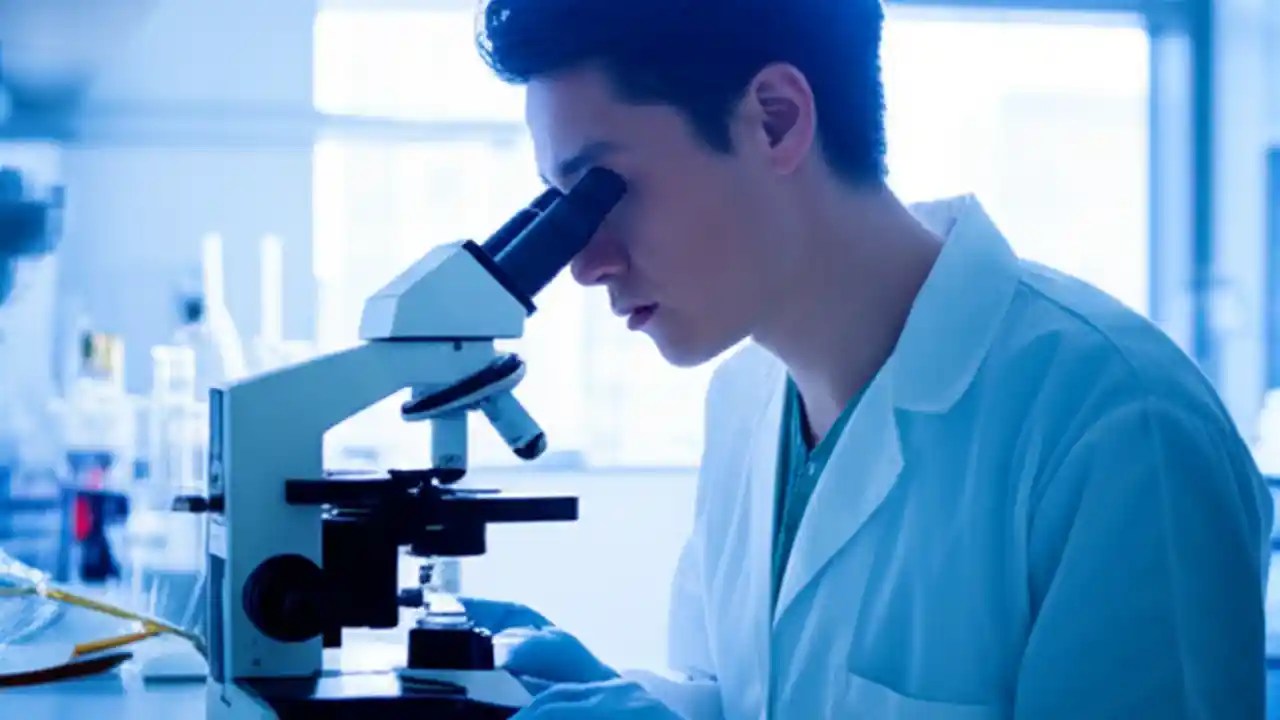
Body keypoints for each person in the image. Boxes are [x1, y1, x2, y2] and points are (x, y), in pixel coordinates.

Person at [462, 0, 1275, 717]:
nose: (583, 262)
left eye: (601, 192)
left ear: (775, 119)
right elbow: (752, 698)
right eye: (561, 209)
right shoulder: (745, 399)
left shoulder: (1122, 431)